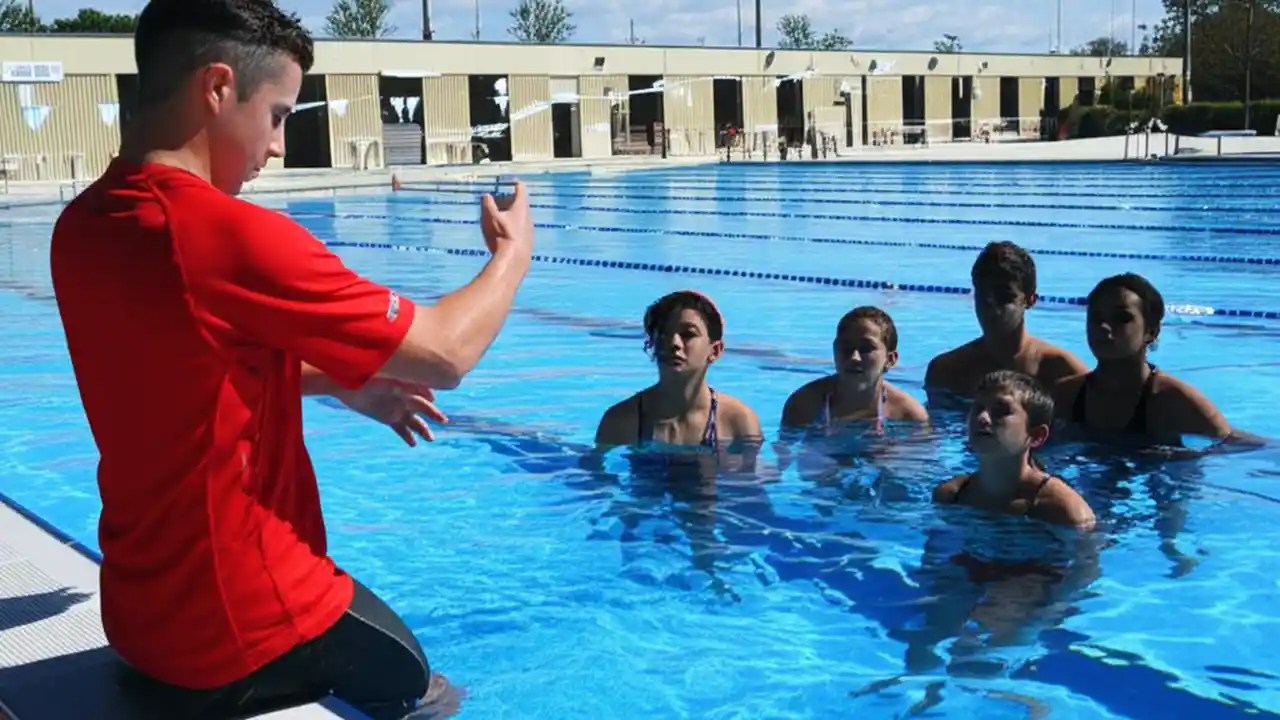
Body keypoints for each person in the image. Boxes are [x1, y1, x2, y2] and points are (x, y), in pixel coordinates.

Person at [48, 1, 533, 717]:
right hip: (243, 626)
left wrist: (344, 380)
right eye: (277, 115)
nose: (277, 147)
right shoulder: (225, 233)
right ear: (217, 88)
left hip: (140, 619)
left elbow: (193, 366)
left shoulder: (83, 226)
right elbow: (445, 351)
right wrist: (513, 256)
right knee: (426, 690)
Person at [1054, 273, 1231, 445]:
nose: (1104, 326)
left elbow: (1232, 446)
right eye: (1096, 317)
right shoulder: (1064, 396)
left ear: (1151, 331)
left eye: (1122, 318)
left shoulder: (1173, 401)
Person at [594, 290, 762, 459]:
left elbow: (749, 481)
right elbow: (596, 478)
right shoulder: (621, 420)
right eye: (663, 333)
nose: (673, 343)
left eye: (688, 334)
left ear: (715, 351)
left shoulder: (738, 422)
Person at [925, 241, 1087, 406]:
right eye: (984, 295)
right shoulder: (946, 371)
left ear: (1030, 300)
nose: (992, 306)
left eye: (1005, 296)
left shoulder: (1062, 371)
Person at [933, 371, 1095, 529]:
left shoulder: (1064, 511)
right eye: (978, 407)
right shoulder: (949, 496)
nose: (982, 418)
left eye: (1001, 411)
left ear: (1036, 435)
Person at [781, 306, 928, 430]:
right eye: (845, 347)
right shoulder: (804, 404)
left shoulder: (909, 415)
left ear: (890, 359)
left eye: (866, 348)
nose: (854, 357)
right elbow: (784, 457)